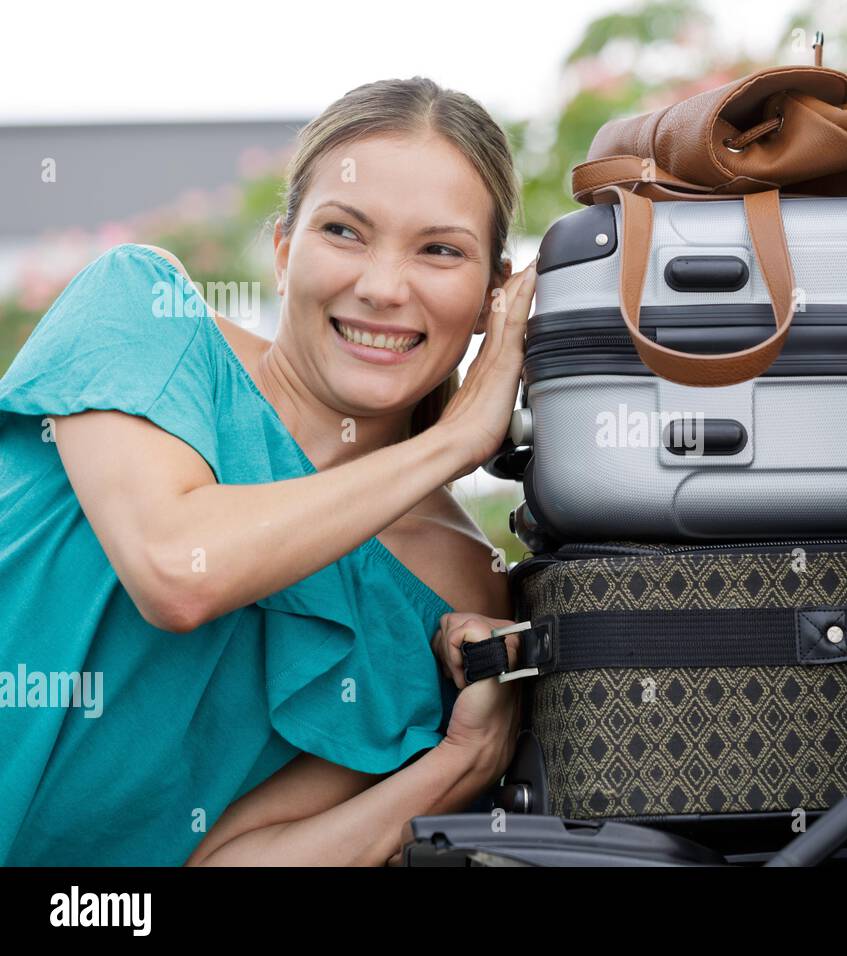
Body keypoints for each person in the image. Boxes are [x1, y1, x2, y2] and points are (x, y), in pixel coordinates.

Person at [0, 77, 535, 866]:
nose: (384, 287)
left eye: (440, 249)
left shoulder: (456, 584)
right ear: (284, 251)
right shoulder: (144, 313)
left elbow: (221, 862)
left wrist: (465, 763)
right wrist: (454, 442)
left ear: (495, 299)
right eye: (346, 232)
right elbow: (180, 570)